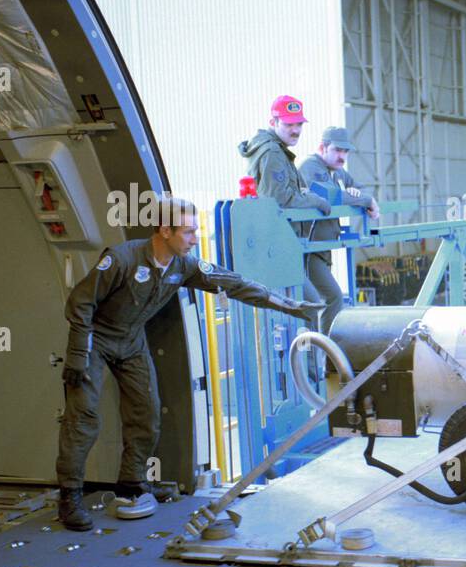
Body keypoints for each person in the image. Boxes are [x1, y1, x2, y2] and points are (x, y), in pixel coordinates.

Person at [56, 196, 321, 531]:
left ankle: (132, 484)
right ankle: (69, 496)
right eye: (188, 232)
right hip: (96, 340)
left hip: (132, 341)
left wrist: (288, 305)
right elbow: (80, 303)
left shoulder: (183, 266)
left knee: (146, 414)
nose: (195, 238)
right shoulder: (122, 259)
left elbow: (234, 284)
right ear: (164, 230)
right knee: (83, 418)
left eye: (195, 231)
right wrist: (78, 354)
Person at [238, 95, 336, 321]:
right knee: (308, 308)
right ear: (273, 122)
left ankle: (310, 345)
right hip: (276, 244)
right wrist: (316, 201)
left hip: (279, 244)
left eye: (299, 124)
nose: (296, 130)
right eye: (289, 124)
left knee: (304, 309)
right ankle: (310, 346)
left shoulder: (276, 150)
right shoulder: (272, 153)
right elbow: (281, 198)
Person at [298, 126, 380, 334]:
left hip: (323, 248)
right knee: (331, 297)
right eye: (337, 150)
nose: (342, 156)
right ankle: (319, 348)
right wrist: (366, 200)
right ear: (322, 148)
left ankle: (322, 346)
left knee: (327, 299)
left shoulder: (338, 172)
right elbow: (331, 197)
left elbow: (362, 189)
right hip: (307, 250)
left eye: (345, 151)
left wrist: (359, 194)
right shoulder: (311, 167)